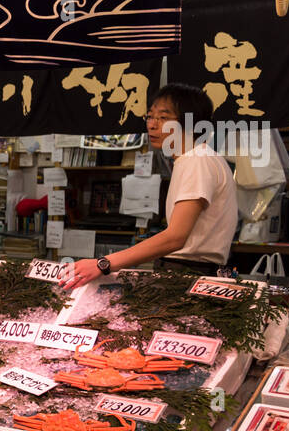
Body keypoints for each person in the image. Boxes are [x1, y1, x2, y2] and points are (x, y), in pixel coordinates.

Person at [60, 84, 239, 290]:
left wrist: (103, 264)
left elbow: (175, 238)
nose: (152, 125)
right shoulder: (197, 159)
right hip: (192, 274)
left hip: (190, 276)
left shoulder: (196, 160)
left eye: (163, 118)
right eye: (150, 116)